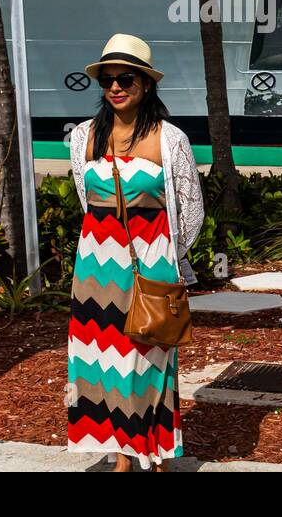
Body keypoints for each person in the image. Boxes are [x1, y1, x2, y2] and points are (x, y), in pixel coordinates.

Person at [66, 34, 204, 472]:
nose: (115, 87)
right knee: (102, 364)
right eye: (107, 80)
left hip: (150, 263)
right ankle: (121, 457)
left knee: (148, 362)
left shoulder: (170, 138)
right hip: (94, 267)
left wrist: (168, 255)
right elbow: (85, 198)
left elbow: (191, 205)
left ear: (145, 83)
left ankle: (158, 455)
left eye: (125, 78)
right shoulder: (84, 136)